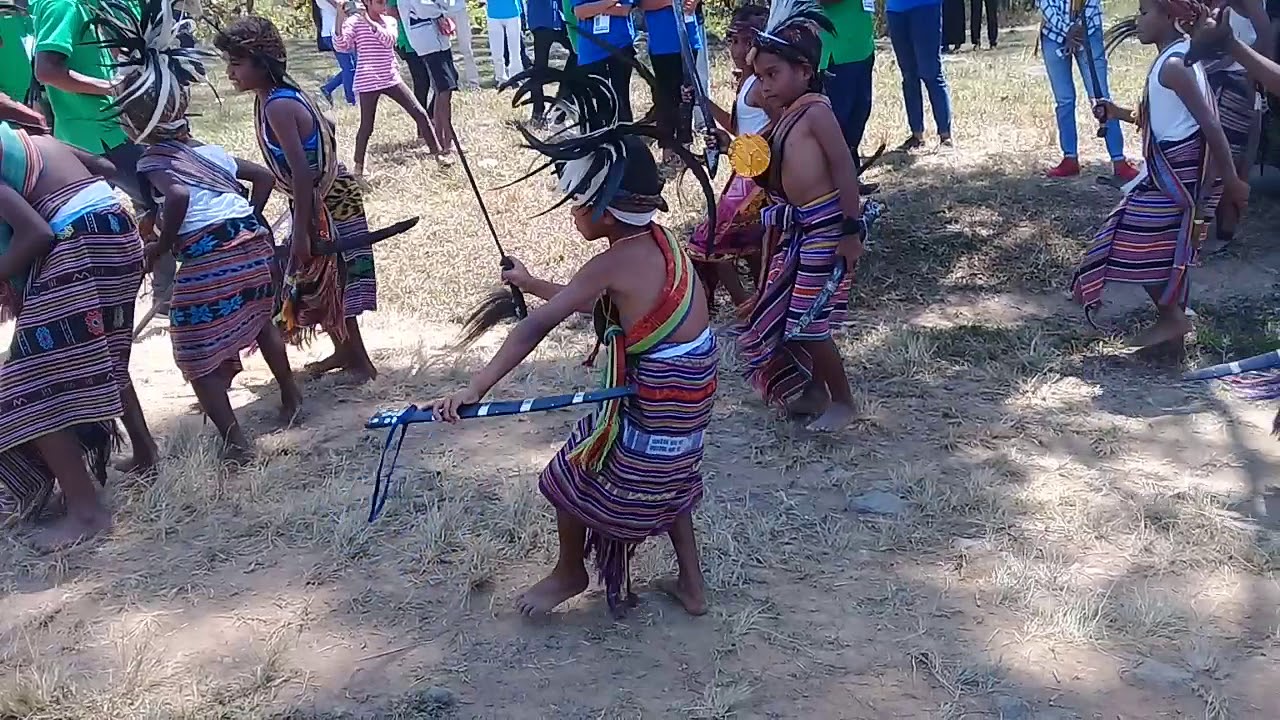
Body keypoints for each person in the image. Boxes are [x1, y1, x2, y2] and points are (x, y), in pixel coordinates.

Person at [431, 108, 718, 618]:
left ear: (605, 210)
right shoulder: (661, 244)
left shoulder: (610, 262)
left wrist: (475, 387)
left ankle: (570, 570)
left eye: (578, 202)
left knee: (576, 465)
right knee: (675, 479)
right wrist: (533, 283)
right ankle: (692, 585)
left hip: (659, 410)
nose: (573, 212)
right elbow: (603, 301)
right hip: (687, 413)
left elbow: (537, 326)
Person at [0, 124, 151, 551]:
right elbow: (102, 166)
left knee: (27, 382)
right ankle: (145, 451)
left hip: (76, 239)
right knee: (102, 354)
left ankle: (87, 511)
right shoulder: (32, 141)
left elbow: (36, 233)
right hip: (116, 226)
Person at [29, 0, 162, 472]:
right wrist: (114, 88)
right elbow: (48, 70)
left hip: (114, 132)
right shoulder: (64, 3)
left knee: (172, 207)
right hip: (95, 136)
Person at [1071, 0, 1248, 349]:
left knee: (1124, 237)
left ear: (1170, 17)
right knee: (1166, 247)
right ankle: (1173, 330)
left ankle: (1172, 319)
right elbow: (1162, 117)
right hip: (1172, 176)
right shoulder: (1176, 58)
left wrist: (1232, 182)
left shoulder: (1173, 65)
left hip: (1176, 178)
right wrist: (1117, 112)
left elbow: (1212, 126)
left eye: (1143, 13)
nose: (1137, 21)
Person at [215, 15, 382, 383]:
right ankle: (347, 351)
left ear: (263, 62)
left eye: (237, 63)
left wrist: (304, 231)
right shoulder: (278, 96)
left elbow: (303, 175)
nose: (230, 72)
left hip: (324, 200)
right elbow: (327, 132)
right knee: (324, 278)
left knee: (331, 277)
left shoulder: (277, 106)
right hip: (326, 195)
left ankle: (359, 362)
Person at [735, 0, 867, 433]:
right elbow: (755, 162)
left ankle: (843, 401)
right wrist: (723, 139)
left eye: (773, 75)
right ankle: (814, 390)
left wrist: (851, 229)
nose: (764, 87)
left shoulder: (816, 112)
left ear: (805, 72)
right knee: (792, 317)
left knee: (809, 321)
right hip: (801, 230)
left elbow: (844, 166)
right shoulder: (785, 117)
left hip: (828, 229)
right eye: (760, 77)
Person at [690, 4, 772, 310]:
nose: (738, 50)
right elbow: (740, 127)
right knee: (747, 243)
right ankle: (762, 294)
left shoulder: (764, 86)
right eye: (733, 40)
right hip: (745, 175)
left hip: (758, 179)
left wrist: (735, 147)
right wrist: (704, 103)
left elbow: (776, 130)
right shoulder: (747, 81)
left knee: (709, 241)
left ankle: (744, 306)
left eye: (747, 41)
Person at [334, 0, 447, 176]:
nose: (384, 5)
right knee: (366, 126)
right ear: (368, 3)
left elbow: (389, 40)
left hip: (390, 77)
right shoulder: (354, 23)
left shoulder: (390, 21)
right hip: (367, 80)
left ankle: (438, 155)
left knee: (420, 113)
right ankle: (358, 167)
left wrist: (369, 22)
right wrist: (340, 18)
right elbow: (342, 45)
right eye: (379, 2)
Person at [1039, 0, 1140, 181]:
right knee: (1064, 100)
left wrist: (1077, 29)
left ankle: (1119, 160)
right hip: (1053, 34)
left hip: (1089, 30)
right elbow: (1044, 3)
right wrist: (1066, 29)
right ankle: (1069, 158)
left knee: (1101, 97)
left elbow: (1092, 3)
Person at [1202, 0, 1269, 249]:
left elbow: (1265, 34)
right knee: (1220, 157)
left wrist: (1248, 65)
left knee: (1230, 160)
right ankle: (1217, 230)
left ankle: (1224, 230)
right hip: (1219, 77)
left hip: (1238, 81)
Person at [885, 0, 954, 150]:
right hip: (896, 10)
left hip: (925, 7)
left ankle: (945, 136)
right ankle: (917, 135)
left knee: (931, 72)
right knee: (909, 76)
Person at [642, 0, 699, 171]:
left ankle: (685, 146)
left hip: (689, 37)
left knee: (688, 93)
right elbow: (642, 4)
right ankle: (668, 149)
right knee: (667, 97)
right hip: (663, 42)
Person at [400, 0, 461, 151]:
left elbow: (449, 4)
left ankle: (443, 138)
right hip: (427, 40)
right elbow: (424, 9)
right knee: (444, 89)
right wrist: (441, 10)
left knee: (446, 86)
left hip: (440, 38)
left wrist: (441, 9)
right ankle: (444, 141)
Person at [821, 0, 876, 168]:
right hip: (837, 50)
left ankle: (851, 173)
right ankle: (833, 179)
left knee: (860, 112)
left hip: (862, 46)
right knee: (838, 119)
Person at [573, 0, 636, 123]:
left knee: (621, 100)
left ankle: (626, 138)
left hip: (620, 46)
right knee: (600, 103)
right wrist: (611, 2)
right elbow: (580, 12)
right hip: (591, 49)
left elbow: (625, 9)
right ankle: (602, 140)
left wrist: (593, 8)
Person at [526, 0, 577, 123]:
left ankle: (564, 98)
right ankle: (538, 110)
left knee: (577, 55)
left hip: (560, 19)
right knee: (539, 68)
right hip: (541, 21)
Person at [318, 0, 358, 106]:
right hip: (334, 32)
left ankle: (327, 89)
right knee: (350, 68)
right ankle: (351, 101)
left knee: (355, 66)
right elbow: (341, 6)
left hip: (337, 31)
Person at [486, 0, 525, 84]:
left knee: (515, 50)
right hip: (493, 15)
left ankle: (516, 78)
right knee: (496, 51)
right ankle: (501, 78)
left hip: (512, 13)